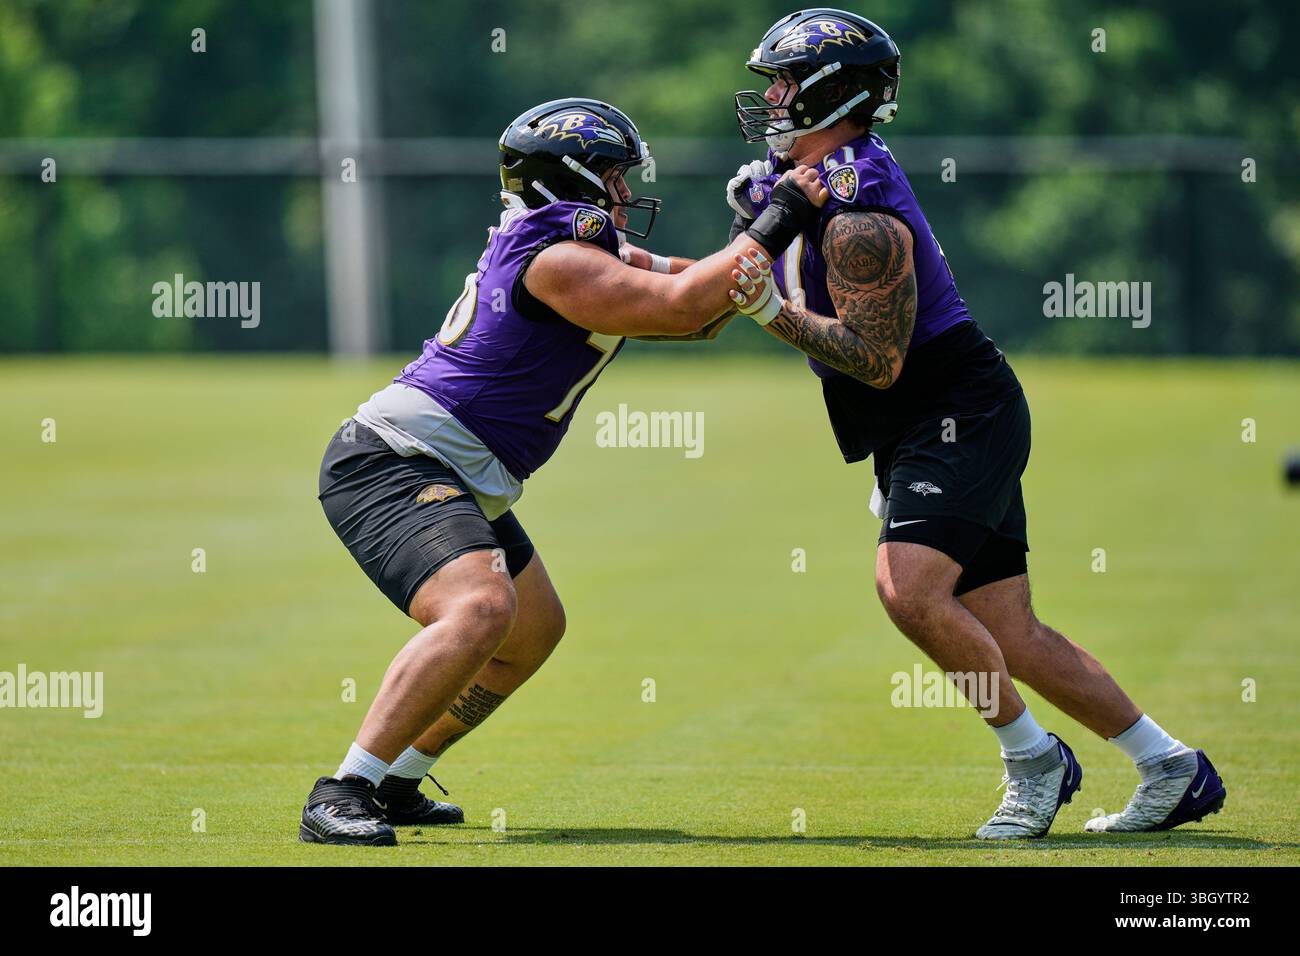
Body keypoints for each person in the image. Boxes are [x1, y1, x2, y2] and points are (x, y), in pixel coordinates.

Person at [722, 9, 1226, 838]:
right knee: (1007, 629)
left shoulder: (857, 211)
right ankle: (1171, 767)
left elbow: (876, 359)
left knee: (907, 590)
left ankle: (1034, 761)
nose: (770, 97)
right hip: (927, 416)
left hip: (954, 411)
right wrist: (747, 234)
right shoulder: (821, 185)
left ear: (831, 94)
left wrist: (772, 309)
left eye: (782, 82)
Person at [300, 96, 827, 845]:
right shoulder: (556, 259)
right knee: (481, 611)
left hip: (455, 464)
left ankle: (396, 777)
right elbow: (682, 306)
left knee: (532, 631)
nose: (623, 192)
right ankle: (343, 787)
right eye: (613, 176)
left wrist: (752, 234)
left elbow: (706, 311)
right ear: (570, 180)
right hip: (394, 458)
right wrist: (779, 219)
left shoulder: (577, 252)